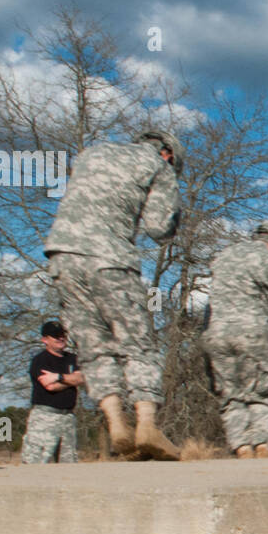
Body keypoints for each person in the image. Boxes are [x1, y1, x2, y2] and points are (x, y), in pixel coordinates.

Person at [44, 130, 182, 460]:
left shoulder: (92, 152)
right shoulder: (159, 167)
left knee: (93, 346)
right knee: (137, 341)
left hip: (62, 256)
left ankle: (116, 422)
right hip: (110, 258)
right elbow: (158, 228)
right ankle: (147, 425)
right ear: (168, 155)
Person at [203, 221, 268, 458]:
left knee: (231, 396)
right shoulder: (265, 258)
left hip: (216, 333)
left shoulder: (225, 256)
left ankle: (241, 447)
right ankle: (263, 445)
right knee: (260, 394)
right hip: (250, 332)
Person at [20, 321, 84, 463]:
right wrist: (72, 380)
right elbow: (50, 386)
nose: (61, 338)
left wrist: (58, 377)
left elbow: (83, 378)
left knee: (68, 465)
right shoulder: (40, 360)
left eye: (63, 335)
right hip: (45, 418)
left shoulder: (73, 358)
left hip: (68, 418)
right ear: (45, 339)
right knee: (38, 463)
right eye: (56, 336)